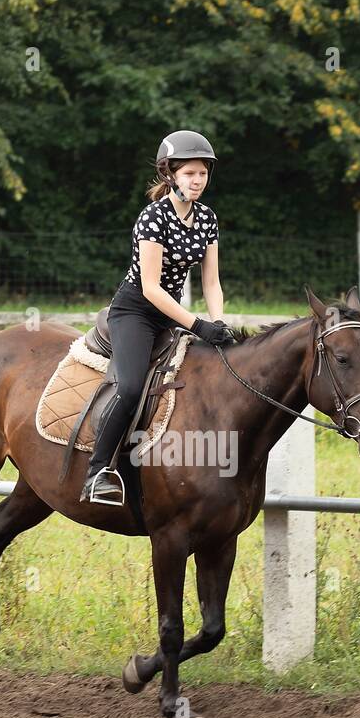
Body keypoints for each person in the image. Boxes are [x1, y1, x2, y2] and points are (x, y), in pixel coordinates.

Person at [80, 130, 235, 504]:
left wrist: (217, 323)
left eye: (203, 173)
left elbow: (211, 281)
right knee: (131, 387)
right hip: (135, 312)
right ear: (170, 175)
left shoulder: (208, 218)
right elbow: (151, 288)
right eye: (189, 174)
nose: (198, 181)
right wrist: (197, 325)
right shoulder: (152, 217)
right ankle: (98, 471)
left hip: (173, 314)